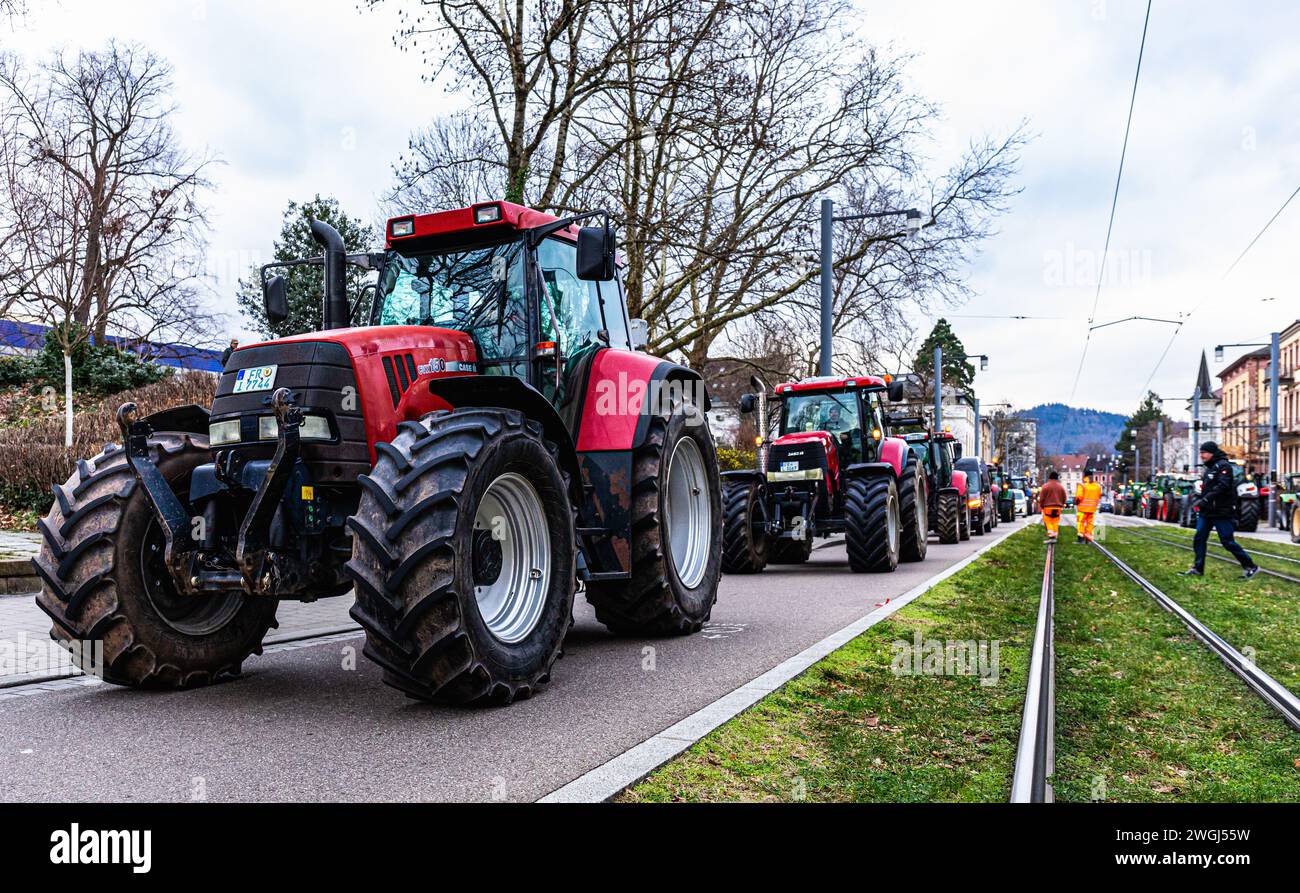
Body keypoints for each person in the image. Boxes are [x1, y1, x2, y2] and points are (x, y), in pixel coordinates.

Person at [1180, 442, 1259, 579]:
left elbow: (1223, 485)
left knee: (1227, 541)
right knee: (1199, 538)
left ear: (1212, 453)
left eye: (1204, 453)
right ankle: (1198, 568)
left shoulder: (1224, 466)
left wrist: (1205, 499)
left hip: (1221, 511)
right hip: (1207, 512)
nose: (1201, 455)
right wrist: (1203, 502)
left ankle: (1251, 566)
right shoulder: (1209, 468)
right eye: (1201, 452)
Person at [1038, 471, 1067, 543]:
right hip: (1058, 507)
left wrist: (1041, 505)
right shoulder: (1061, 487)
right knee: (1055, 522)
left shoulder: (1045, 486)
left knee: (1048, 521)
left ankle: (1051, 536)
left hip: (1048, 507)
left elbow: (1041, 498)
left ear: (1049, 478)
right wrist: (1062, 504)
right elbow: (1064, 497)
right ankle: (1055, 536)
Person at [1074, 470, 1102, 543]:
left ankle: (1081, 539)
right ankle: (1088, 538)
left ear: (1084, 476)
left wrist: (1076, 502)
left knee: (1081, 523)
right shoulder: (1098, 486)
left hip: (1082, 509)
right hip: (1092, 509)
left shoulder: (1082, 485)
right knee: (1090, 523)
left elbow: (1079, 496)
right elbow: (1099, 496)